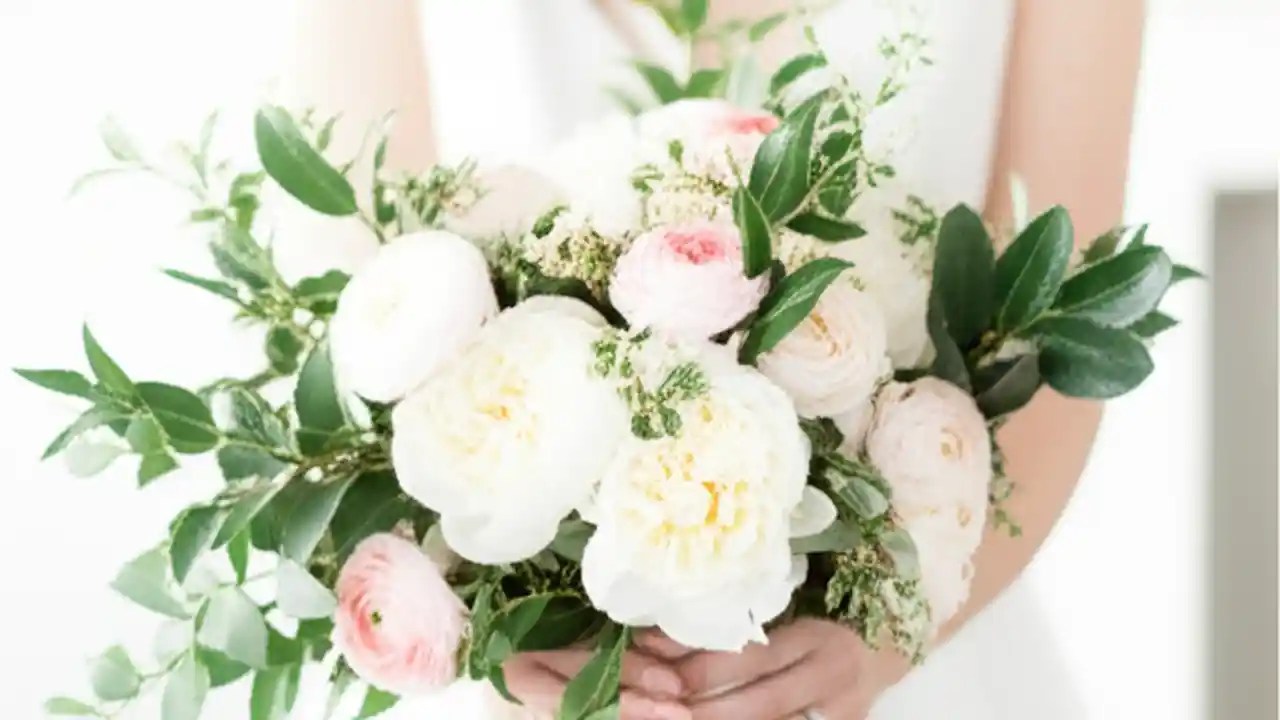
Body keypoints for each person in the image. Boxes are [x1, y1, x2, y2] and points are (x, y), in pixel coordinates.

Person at [281, 1, 1145, 718]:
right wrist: (493, 630)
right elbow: (342, 328)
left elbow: (1055, 332)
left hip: (909, 663)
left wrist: (889, 634)